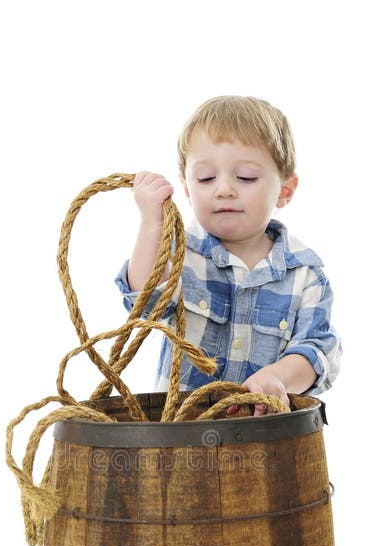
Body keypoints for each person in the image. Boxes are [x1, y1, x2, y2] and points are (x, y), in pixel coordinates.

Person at [115, 95, 341, 414]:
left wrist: (278, 377)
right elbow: (146, 301)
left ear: (285, 190)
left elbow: (318, 351)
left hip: (265, 439)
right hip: (181, 436)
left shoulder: (305, 273)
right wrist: (151, 222)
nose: (223, 189)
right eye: (206, 178)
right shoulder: (183, 254)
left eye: (246, 177)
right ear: (188, 187)